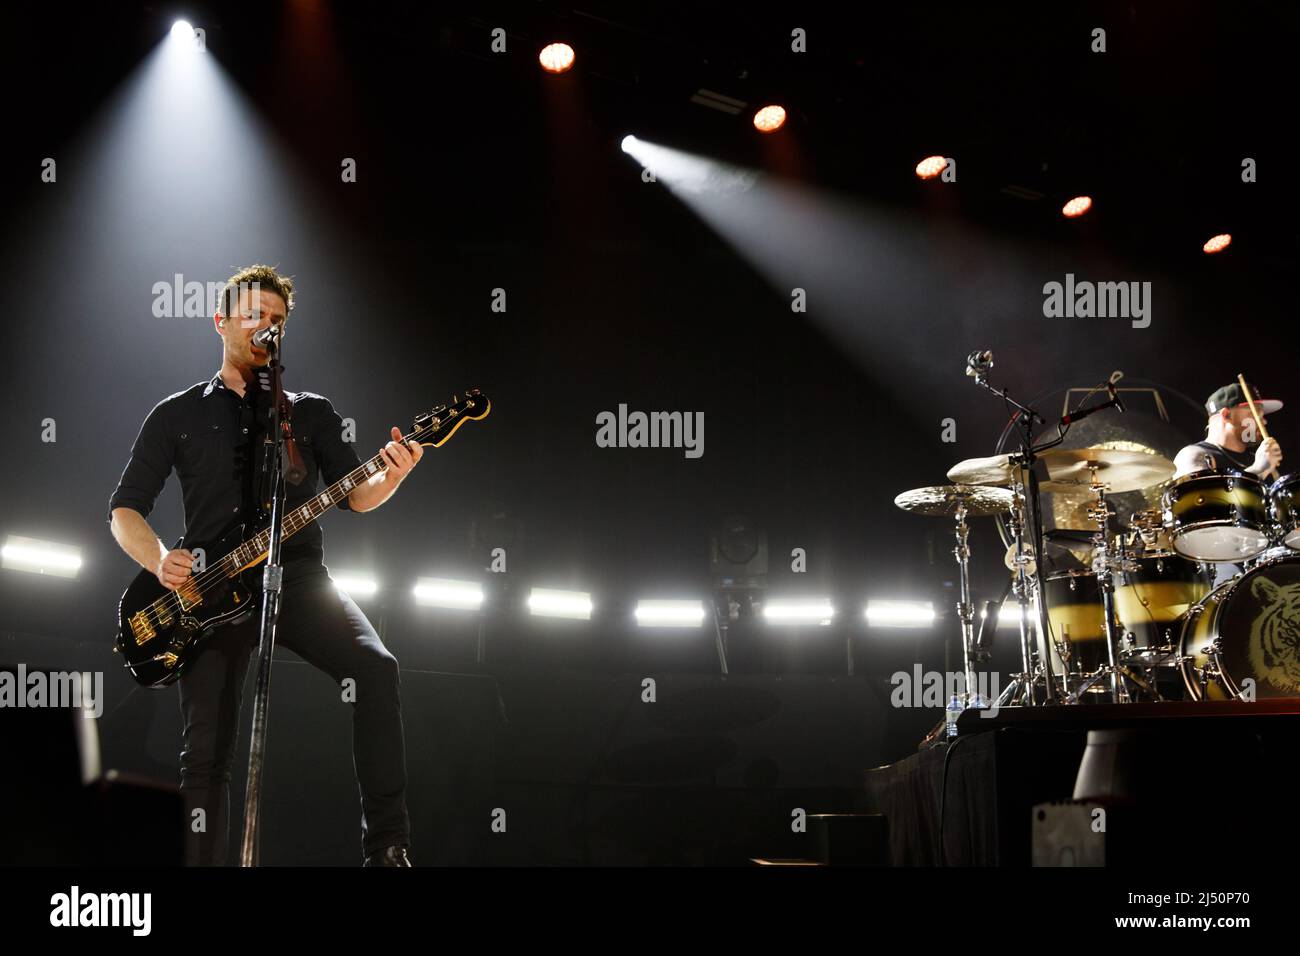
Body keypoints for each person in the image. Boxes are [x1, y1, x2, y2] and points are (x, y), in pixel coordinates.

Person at [109, 264, 420, 866]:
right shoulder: (176, 414)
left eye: (277, 320)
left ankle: (387, 846)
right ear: (220, 321)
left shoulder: (310, 414)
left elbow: (356, 495)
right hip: (206, 588)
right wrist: (160, 560)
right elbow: (124, 509)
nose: (267, 326)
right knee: (206, 754)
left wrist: (395, 474)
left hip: (300, 577)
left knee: (377, 669)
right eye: (254, 315)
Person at [1172, 382, 1283, 480]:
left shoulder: (1258, 458)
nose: (1264, 422)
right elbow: (1205, 499)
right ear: (1226, 415)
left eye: (1262, 416)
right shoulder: (1194, 456)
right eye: (1255, 414)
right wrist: (1258, 470)